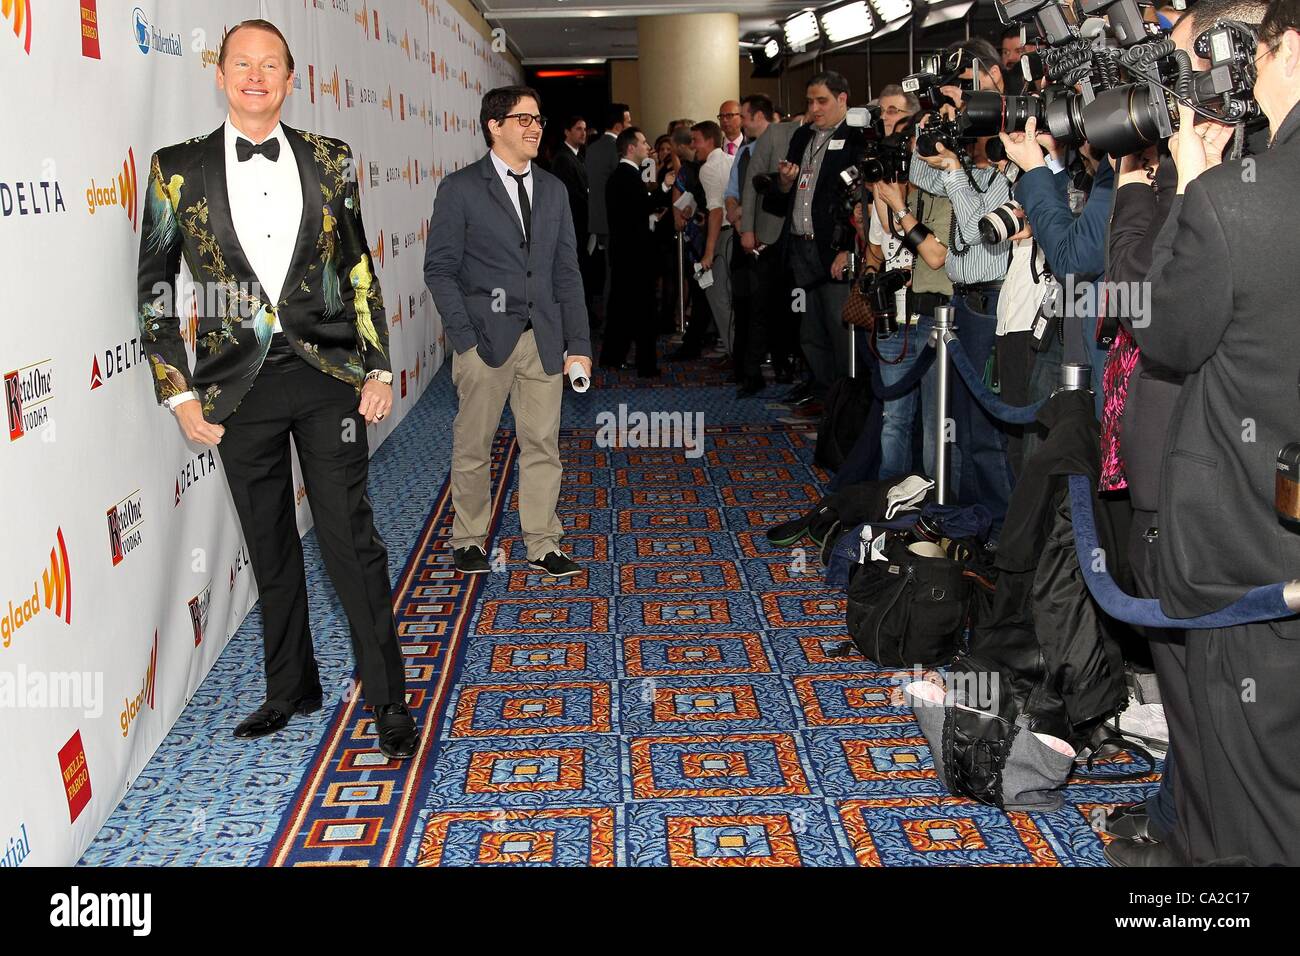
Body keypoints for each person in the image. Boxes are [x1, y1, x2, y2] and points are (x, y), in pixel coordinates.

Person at [136, 19, 417, 757]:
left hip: (328, 375)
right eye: (241, 64)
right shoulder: (175, 168)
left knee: (349, 538)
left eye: (270, 66)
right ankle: (291, 686)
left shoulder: (332, 158)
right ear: (220, 74)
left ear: (291, 79)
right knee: (267, 543)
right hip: (237, 389)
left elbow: (358, 265)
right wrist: (179, 390)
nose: (255, 76)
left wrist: (379, 366)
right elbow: (156, 288)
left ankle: (388, 698)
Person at [1128, 0, 1300, 868]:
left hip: (1252, 553)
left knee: (1250, 807)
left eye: (1257, 52)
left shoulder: (1240, 203)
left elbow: (1165, 333)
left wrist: (1193, 181)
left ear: (1292, 49)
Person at [424, 85, 592, 581]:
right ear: (493, 126)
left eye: (538, 118)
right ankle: (470, 539)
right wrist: (464, 338)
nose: (535, 127)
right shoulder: (460, 189)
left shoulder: (555, 190)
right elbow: (440, 270)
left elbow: (567, 271)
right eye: (523, 119)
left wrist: (578, 346)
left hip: (543, 339)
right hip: (484, 342)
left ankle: (543, 541)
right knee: (474, 443)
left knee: (543, 443)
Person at [907, 40, 1017, 529]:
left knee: (988, 430)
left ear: (992, 76)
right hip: (965, 303)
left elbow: (976, 231)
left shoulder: (1011, 147)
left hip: (996, 301)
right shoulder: (969, 151)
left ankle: (1002, 528)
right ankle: (973, 520)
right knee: (966, 426)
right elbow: (919, 177)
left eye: (969, 90)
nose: (964, 103)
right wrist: (933, 131)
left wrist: (954, 168)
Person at [768, 71, 871, 412]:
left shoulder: (857, 137)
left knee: (839, 327)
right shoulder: (801, 137)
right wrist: (784, 183)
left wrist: (848, 246)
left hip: (835, 245)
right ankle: (822, 390)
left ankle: (846, 400)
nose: (814, 108)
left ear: (843, 99)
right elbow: (782, 195)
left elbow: (860, 197)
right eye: (810, 101)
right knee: (809, 328)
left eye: (822, 101)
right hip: (800, 243)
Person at [601, 127, 670, 376]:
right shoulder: (626, 177)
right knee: (644, 313)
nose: (647, 146)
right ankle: (646, 366)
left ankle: (612, 357)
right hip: (635, 258)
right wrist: (664, 188)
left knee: (622, 309)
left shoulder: (624, 176)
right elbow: (642, 207)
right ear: (631, 148)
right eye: (643, 142)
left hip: (626, 256)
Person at [584, 103, 632, 322]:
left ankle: (612, 319)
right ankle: (614, 321)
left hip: (598, 220)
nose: (630, 126)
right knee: (616, 274)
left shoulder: (592, 147)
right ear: (618, 125)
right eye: (628, 122)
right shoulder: (616, 149)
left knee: (611, 272)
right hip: (615, 221)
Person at [693, 120, 736, 359]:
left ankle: (734, 352)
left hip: (724, 235)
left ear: (709, 141)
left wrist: (708, 252)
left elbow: (716, 211)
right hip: (735, 235)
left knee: (718, 296)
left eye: (696, 140)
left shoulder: (708, 168)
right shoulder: (730, 160)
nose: (693, 146)